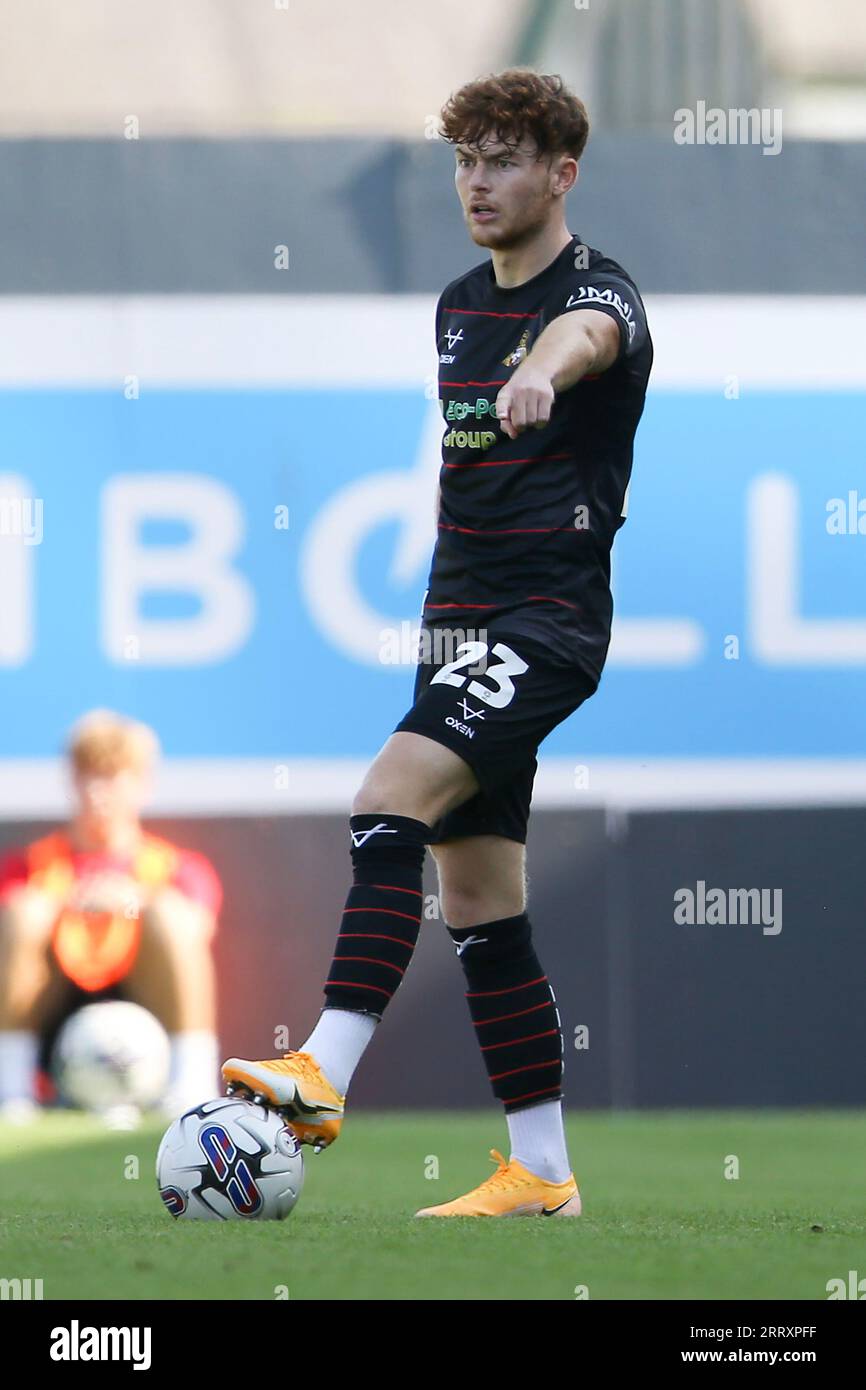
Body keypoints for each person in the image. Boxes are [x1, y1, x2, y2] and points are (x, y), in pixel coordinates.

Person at [223, 68, 653, 1217]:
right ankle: (542, 1171)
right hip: (453, 625)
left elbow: (586, 335)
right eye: (465, 159)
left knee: (386, 794)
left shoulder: (601, 295)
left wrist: (538, 370)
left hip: (546, 623)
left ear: (560, 175)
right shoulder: (457, 299)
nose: (477, 180)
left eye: (503, 159)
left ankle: (322, 1067)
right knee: (477, 903)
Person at [0, 710, 222, 1120]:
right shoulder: (30, 866)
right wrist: (68, 904)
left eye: (113, 775)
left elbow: (197, 929)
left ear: (142, 784)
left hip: (147, 1012)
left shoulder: (177, 868)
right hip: (55, 1017)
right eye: (88, 775)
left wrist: (133, 900)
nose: (98, 790)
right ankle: (11, 1089)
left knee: (172, 914)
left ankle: (191, 1086)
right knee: (24, 910)